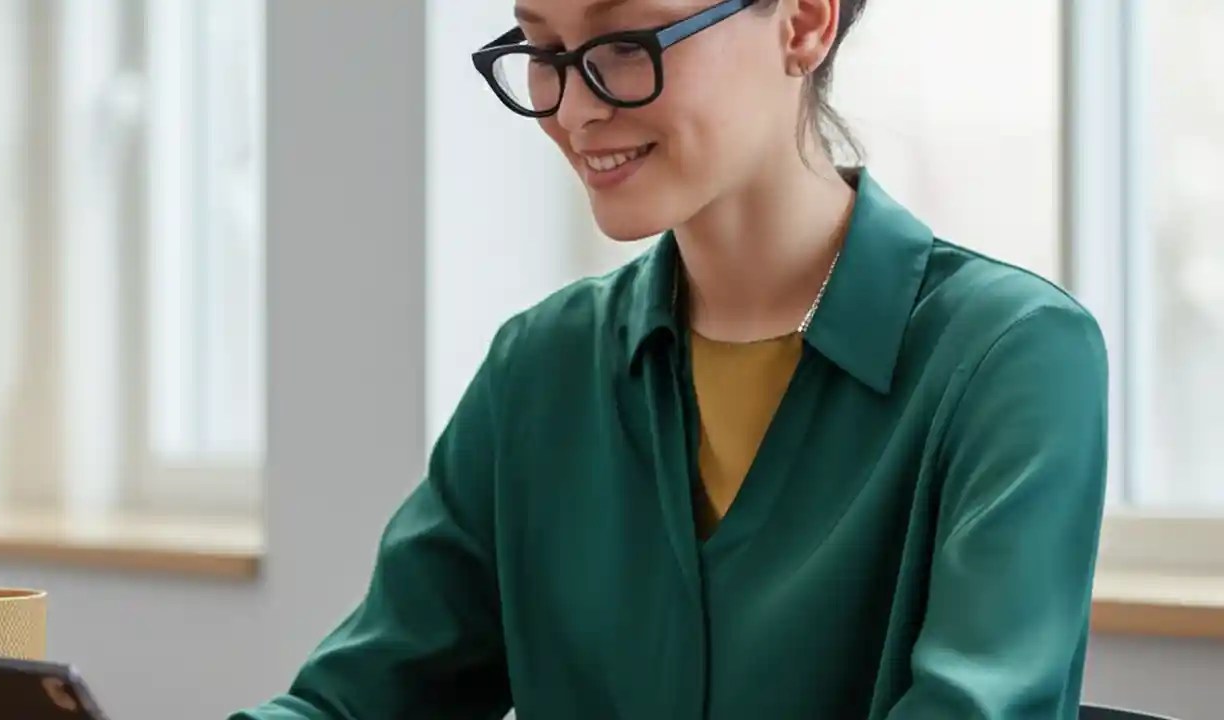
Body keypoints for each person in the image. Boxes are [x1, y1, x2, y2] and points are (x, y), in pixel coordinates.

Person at [233, 0, 1108, 717]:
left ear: (804, 22)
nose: (573, 111)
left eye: (624, 43)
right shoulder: (540, 368)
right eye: (543, 52)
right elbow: (356, 702)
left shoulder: (1010, 360)